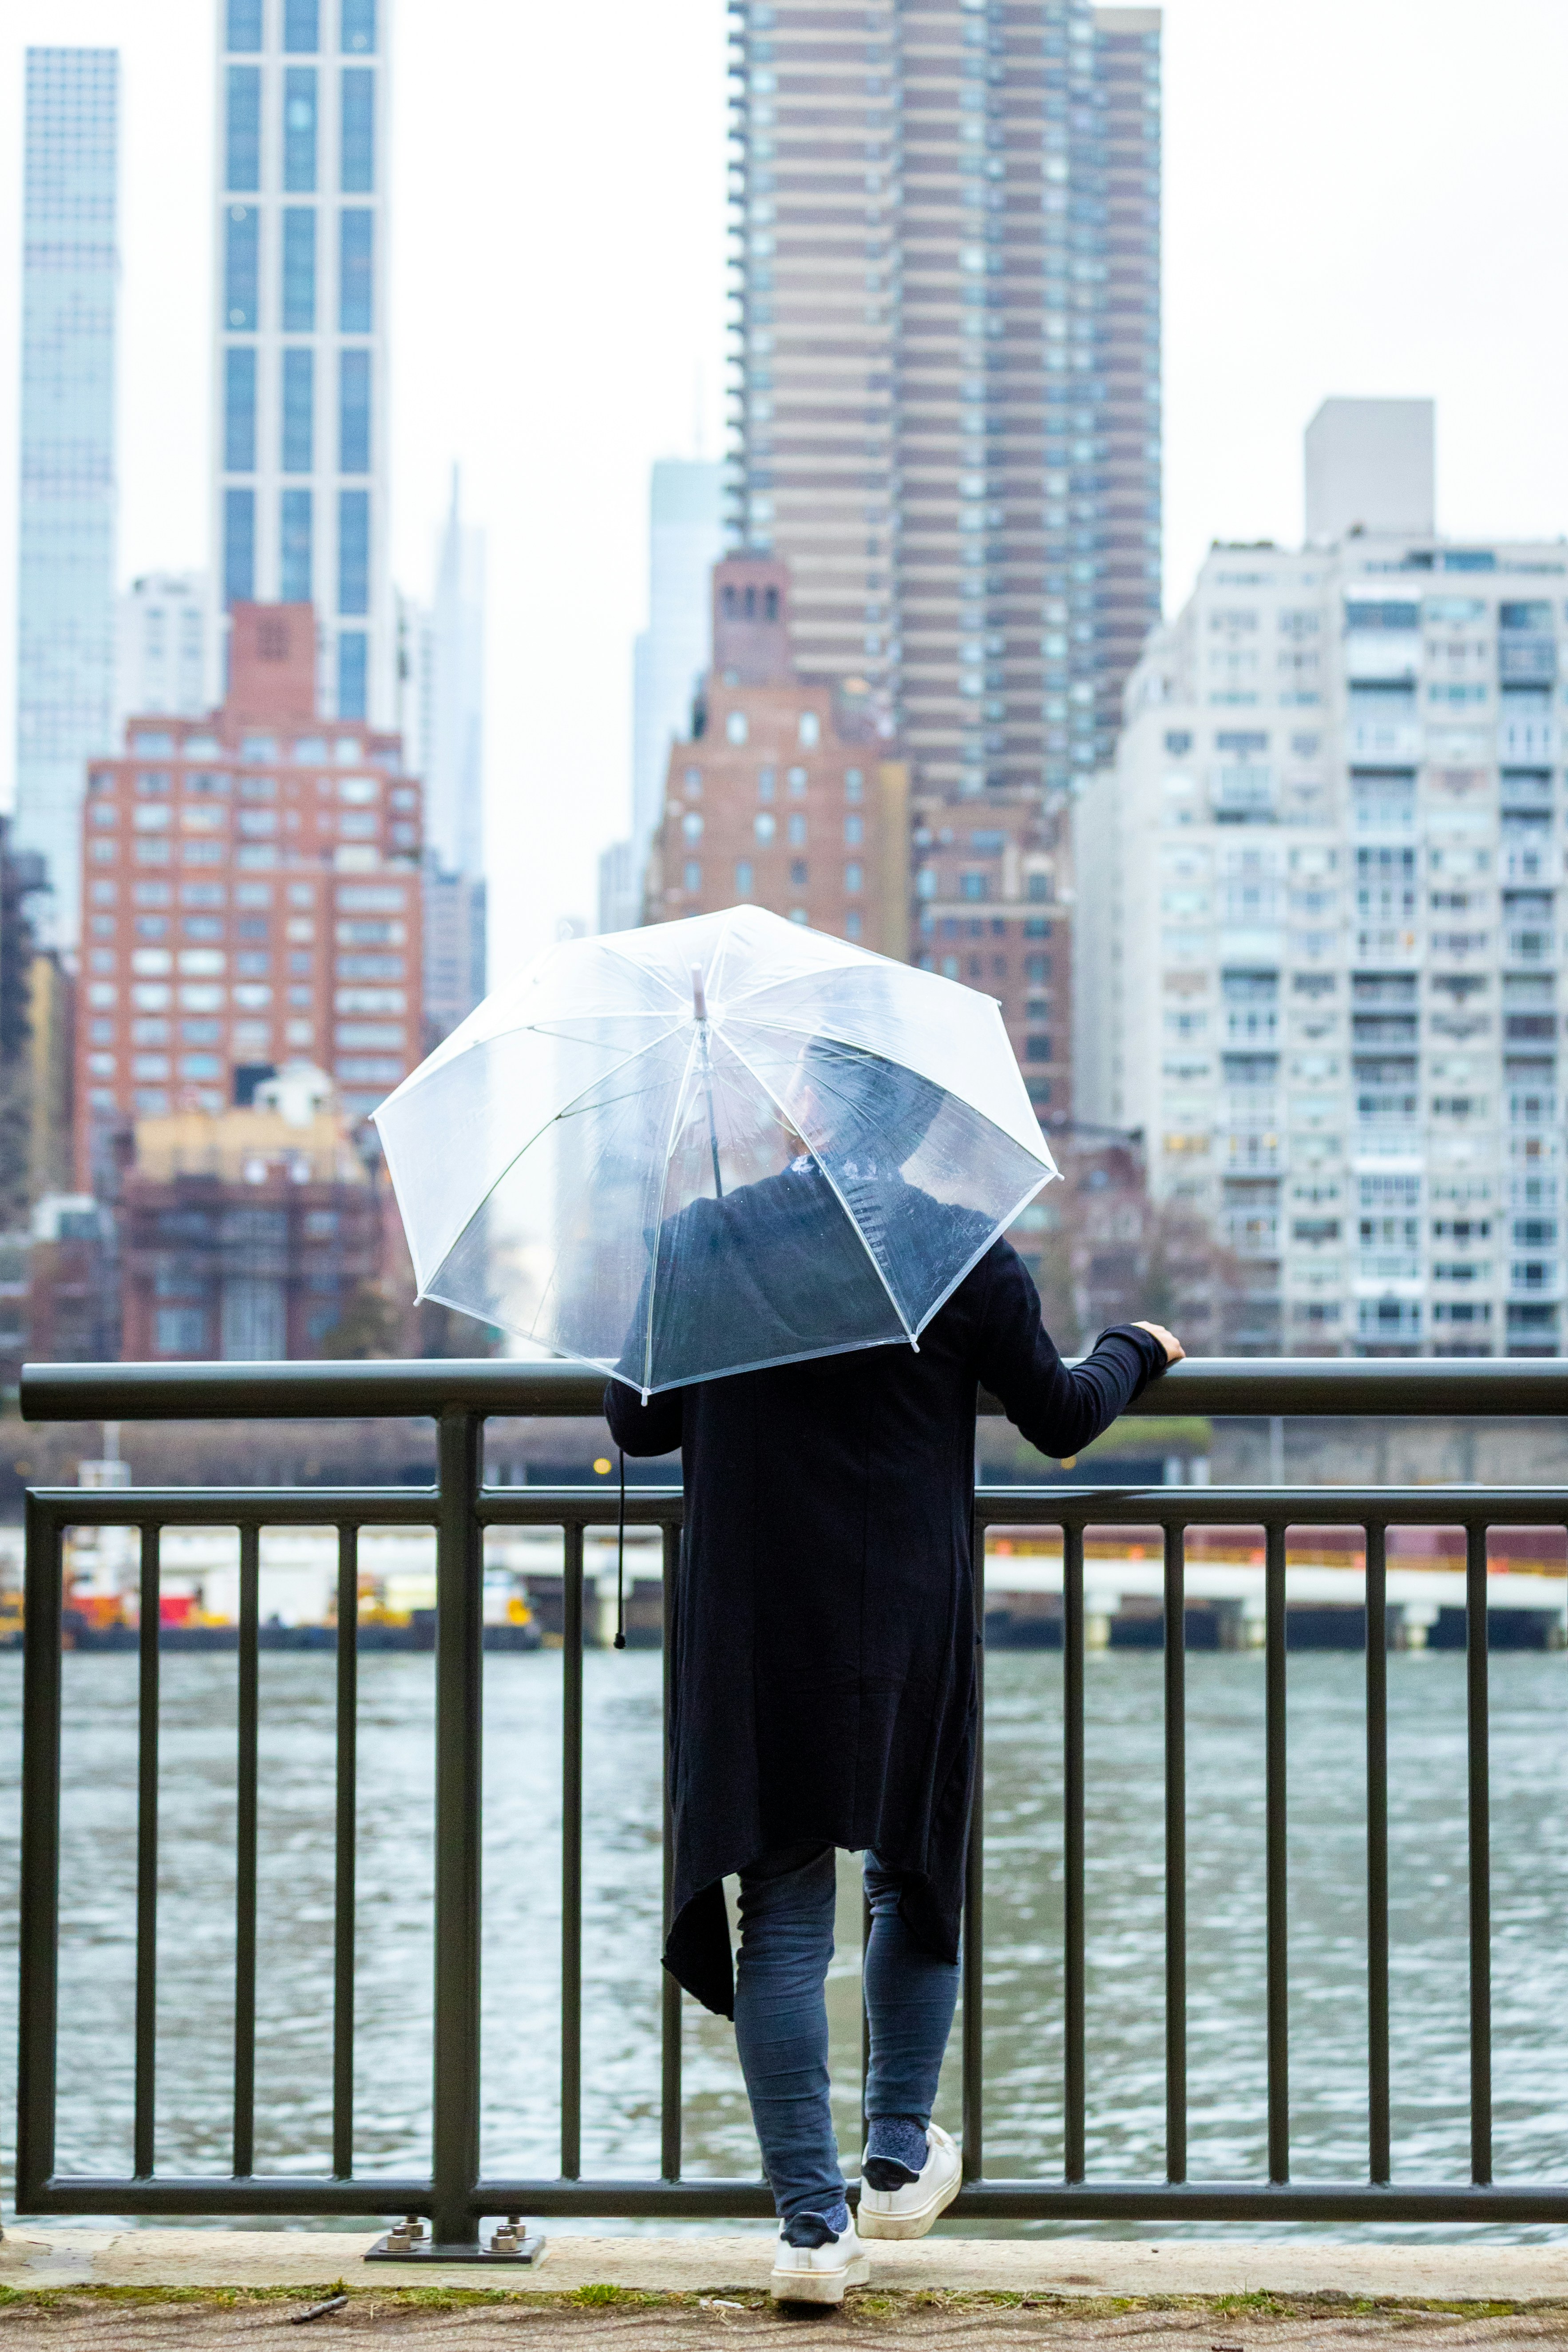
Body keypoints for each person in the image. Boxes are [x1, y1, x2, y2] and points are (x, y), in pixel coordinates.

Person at [604, 1085, 1183, 2305]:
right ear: (919, 1127)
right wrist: (1139, 1345)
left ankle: (812, 2233)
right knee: (912, 1867)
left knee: (782, 1911)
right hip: (901, 1612)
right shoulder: (958, 1252)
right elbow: (1064, 1415)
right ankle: (896, 2151)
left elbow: (634, 1421)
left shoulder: (711, 1237)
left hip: (753, 1618)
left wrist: (685, 1263)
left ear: (804, 1108)